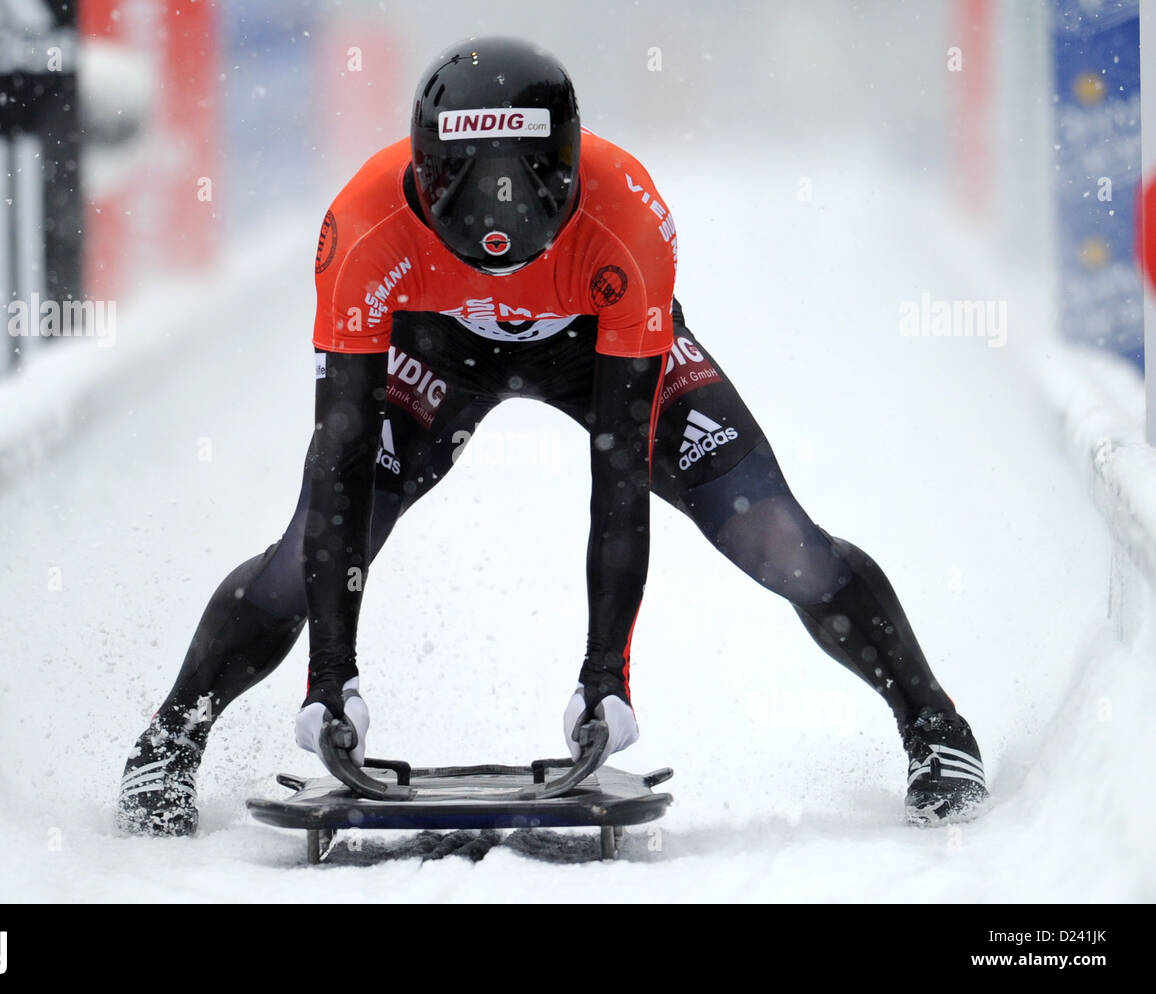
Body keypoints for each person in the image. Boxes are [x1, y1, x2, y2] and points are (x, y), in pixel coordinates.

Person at [117, 36, 987, 837]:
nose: (499, 242)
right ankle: (169, 741)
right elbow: (340, 458)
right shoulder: (364, 225)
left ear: (568, 181)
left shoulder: (629, 216)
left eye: (526, 226)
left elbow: (617, 472)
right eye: (471, 229)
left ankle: (935, 725)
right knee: (295, 562)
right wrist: (328, 678)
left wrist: (605, 674)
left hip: (595, 348)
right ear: (423, 185)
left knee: (776, 537)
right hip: (435, 358)